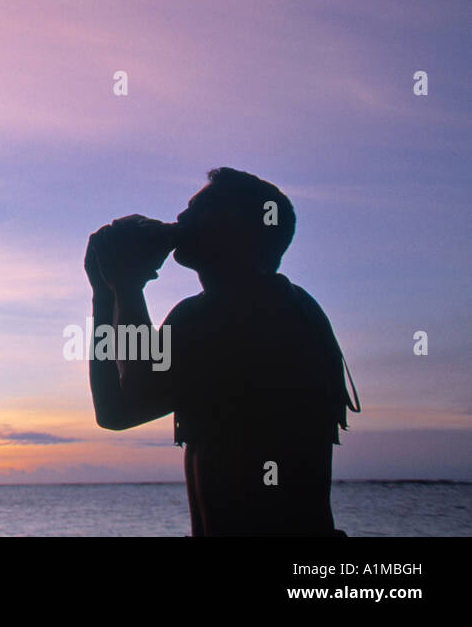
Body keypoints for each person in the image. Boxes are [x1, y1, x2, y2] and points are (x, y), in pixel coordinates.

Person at [85, 167, 359, 536]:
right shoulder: (281, 305)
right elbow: (116, 412)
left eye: (203, 208)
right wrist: (107, 293)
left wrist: (126, 287)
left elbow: (134, 395)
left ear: (246, 230)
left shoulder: (246, 309)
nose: (182, 218)